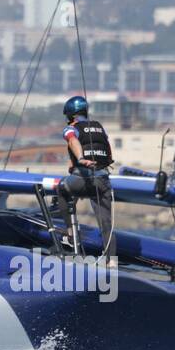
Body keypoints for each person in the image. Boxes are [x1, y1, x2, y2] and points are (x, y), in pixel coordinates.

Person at [53, 95, 116, 261]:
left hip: (83, 179)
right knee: (106, 225)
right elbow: (106, 150)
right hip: (103, 180)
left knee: (62, 189)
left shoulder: (71, 128)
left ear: (71, 116)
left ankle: (70, 232)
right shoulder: (100, 128)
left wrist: (80, 159)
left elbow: (72, 140)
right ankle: (112, 262)